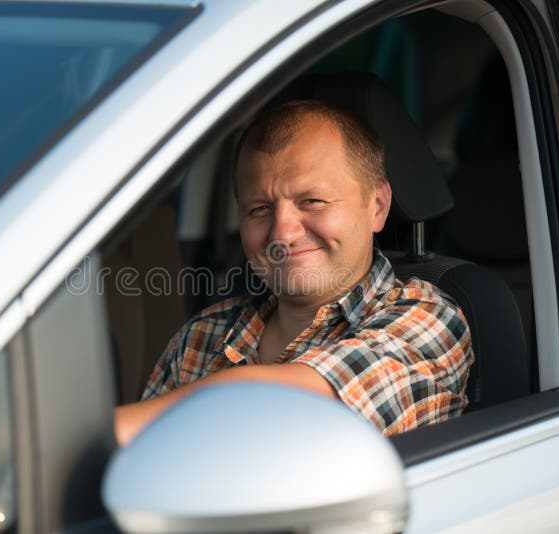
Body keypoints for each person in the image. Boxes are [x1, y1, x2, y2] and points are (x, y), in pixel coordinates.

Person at [114, 99, 473, 445]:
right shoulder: (202, 335)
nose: (282, 233)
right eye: (259, 209)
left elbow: (290, 412)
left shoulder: (428, 320)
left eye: (311, 201)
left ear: (377, 207)